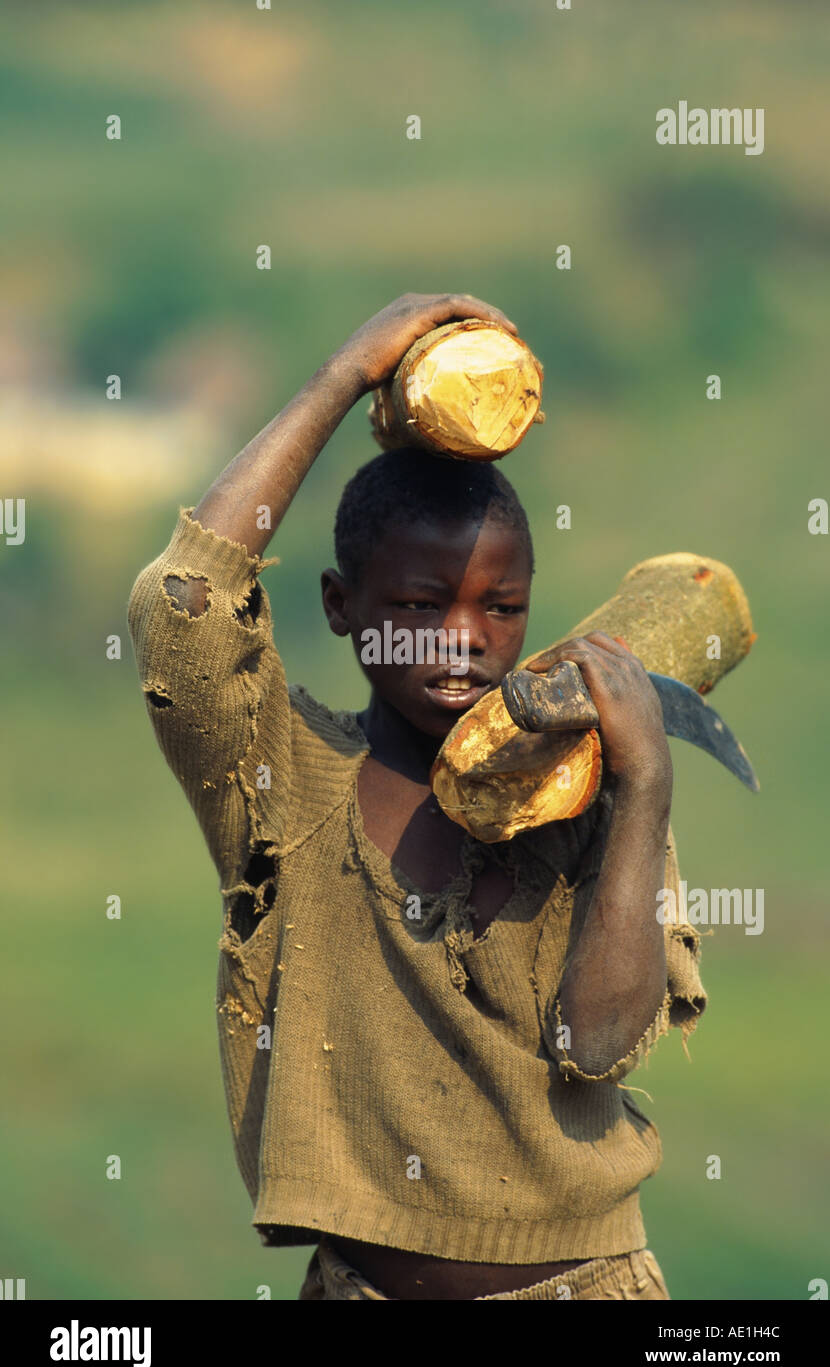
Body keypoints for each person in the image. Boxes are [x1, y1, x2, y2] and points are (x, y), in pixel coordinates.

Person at [127, 293, 707, 1301]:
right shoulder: (287, 776)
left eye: (500, 607)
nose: (463, 639)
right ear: (341, 606)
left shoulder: (590, 791)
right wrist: (344, 374)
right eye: (415, 604)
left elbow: (598, 1041)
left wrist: (643, 782)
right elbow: (184, 605)